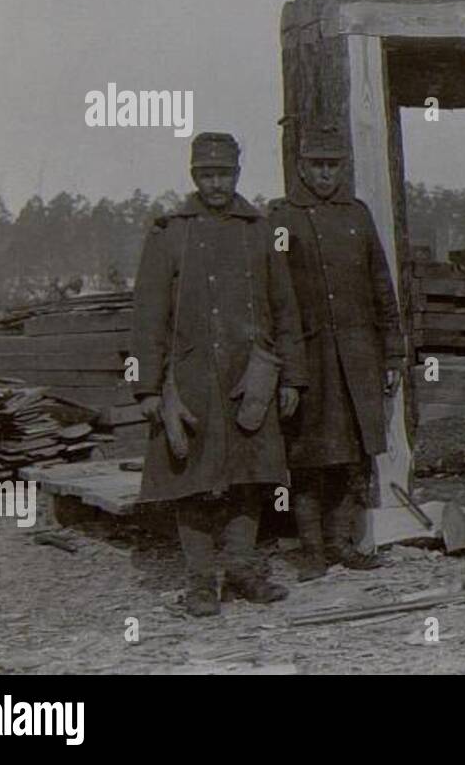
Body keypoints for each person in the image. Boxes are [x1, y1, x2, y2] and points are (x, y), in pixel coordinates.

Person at [131, 132, 306, 616]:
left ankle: (244, 569)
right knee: (192, 479)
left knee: (248, 477)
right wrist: (146, 386)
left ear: (237, 174)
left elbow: (285, 307)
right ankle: (202, 582)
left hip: (249, 378)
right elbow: (147, 314)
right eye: (206, 175)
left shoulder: (260, 229)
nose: (216, 184)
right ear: (194, 177)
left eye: (223, 174)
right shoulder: (170, 232)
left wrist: (291, 377)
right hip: (189, 381)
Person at [268, 123, 404, 581]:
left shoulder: (357, 215)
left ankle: (343, 542)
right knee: (308, 456)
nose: (325, 175)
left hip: (358, 355)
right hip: (309, 358)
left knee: (351, 453)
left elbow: (382, 286)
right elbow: (272, 291)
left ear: (343, 168)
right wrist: (285, 366)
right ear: (301, 168)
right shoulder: (282, 219)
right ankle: (311, 550)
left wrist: (393, 353)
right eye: (316, 166)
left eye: (333, 166)